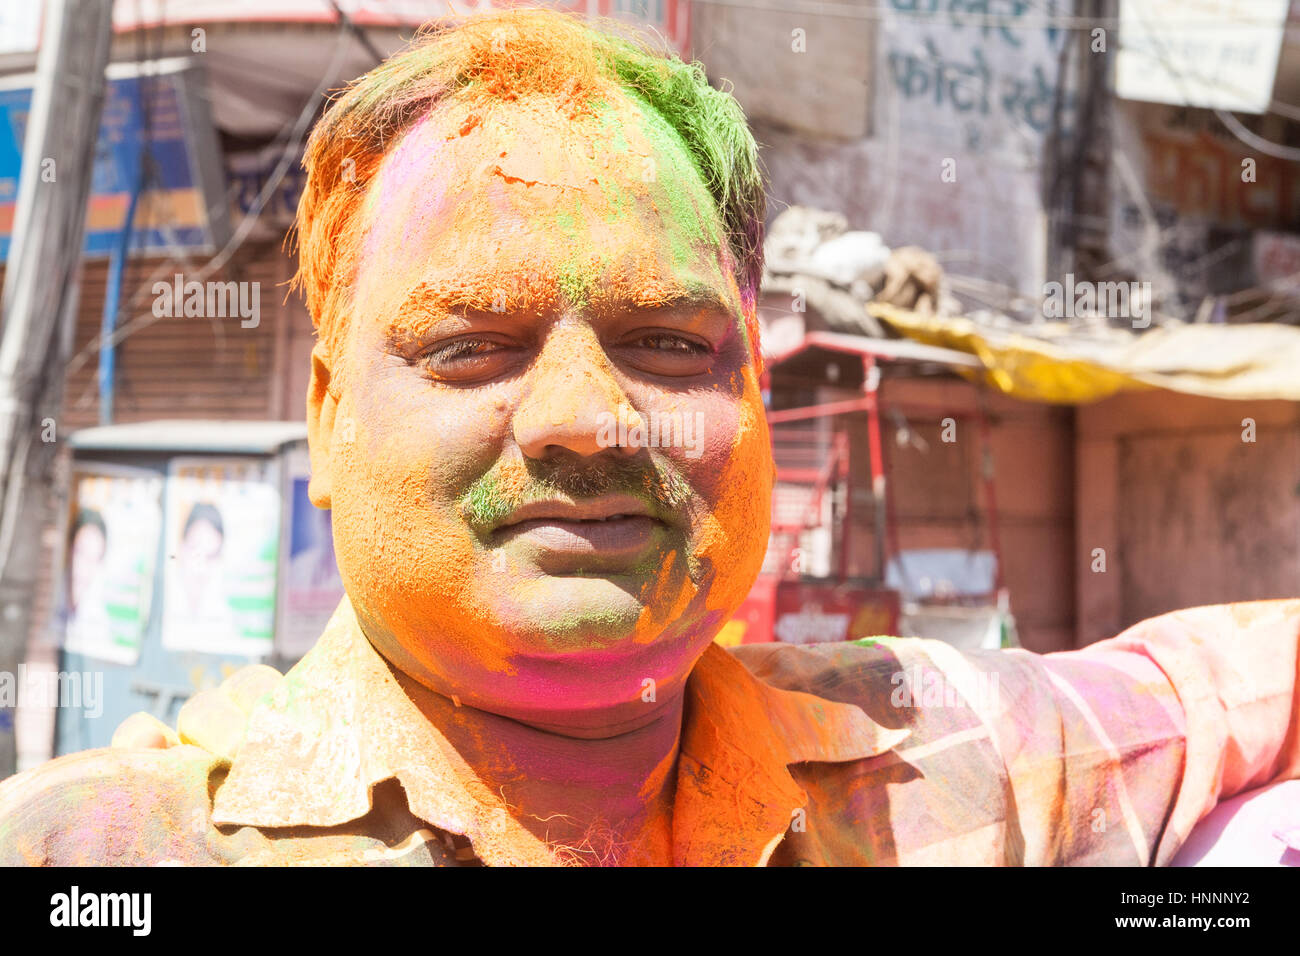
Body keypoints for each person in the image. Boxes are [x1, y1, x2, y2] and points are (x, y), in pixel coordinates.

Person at [2, 9, 1298, 866]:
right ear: (327, 422)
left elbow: (1213, 687)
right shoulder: (101, 855)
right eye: (473, 347)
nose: (591, 420)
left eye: (670, 345)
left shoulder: (938, 765)